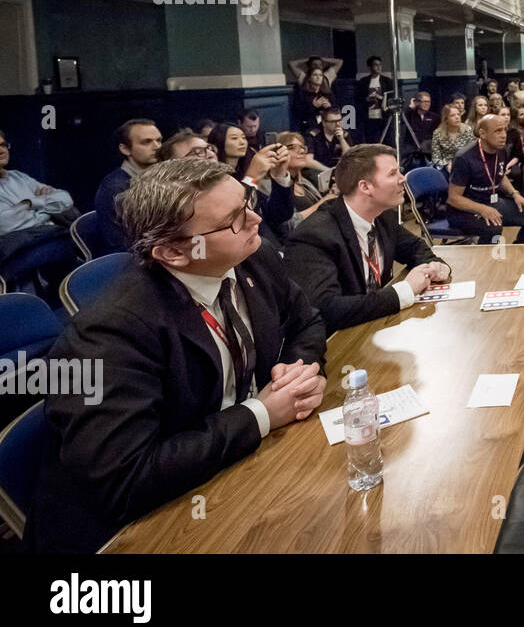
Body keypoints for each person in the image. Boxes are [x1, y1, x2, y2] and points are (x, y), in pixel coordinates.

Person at [24, 158, 328, 553]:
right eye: (235, 219)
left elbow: (308, 321)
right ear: (172, 251)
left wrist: (297, 371)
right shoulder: (109, 334)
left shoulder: (253, 255)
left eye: (248, 202)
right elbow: (127, 479)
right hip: (134, 532)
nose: (255, 220)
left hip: (230, 468)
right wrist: (263, 413)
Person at [285, 144, 450, 334]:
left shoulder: (382, 216)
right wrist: (404, 291)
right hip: (338, 345)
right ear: (365, 186)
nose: (403, 179)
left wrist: (436, 267)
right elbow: (325, 309)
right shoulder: (314, 236)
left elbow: (414, 247)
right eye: (392, 174)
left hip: (378, 327)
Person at [0, 128, 80, 291]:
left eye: (3, 145)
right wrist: (47, 209)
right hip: (18, 256)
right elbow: (6, 224)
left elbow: (65, 199)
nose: (1, 150)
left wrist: (30, 204)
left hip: (51, 243)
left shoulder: (19, 177)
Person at [447, 115, 524, 243]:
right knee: (494, 229)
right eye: (498, 131)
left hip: (491, 202)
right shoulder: (464, 158)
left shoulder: (501, 150)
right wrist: (482, 209)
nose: (504, 135)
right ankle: (485, 259)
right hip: (463, 210)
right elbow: (454, 199)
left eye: (505, 130)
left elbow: (499, 175)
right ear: (483, 133)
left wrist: (515, 194)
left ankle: (517, 248)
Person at [94, 118, 162, 253]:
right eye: (146, 142)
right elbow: (121, 246)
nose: (157, 147)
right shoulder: (115, 188)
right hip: (130, 262)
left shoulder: (158, 179)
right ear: (125, 149)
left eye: (159, 140)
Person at [357, 56, 394, 143]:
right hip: (368, 116)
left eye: (380, 65)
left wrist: (380, 98)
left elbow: (391, 98)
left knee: (386, 139)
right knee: (371, 139)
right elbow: (358, 98)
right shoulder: (363, 81)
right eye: (375, 65)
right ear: (370, 67)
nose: (379, 67)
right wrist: (367, 99)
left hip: (383, 115)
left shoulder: (387, 81)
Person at [429, 102, 474, 170]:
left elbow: (472, 152)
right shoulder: (437, 133)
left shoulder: (467, 130)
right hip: (445, 166)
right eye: (452, 115)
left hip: (465, 165)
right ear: (446, 119)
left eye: (458, 114)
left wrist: (458, 164)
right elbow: (436, 157)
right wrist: (446, 165)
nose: (457, 117)